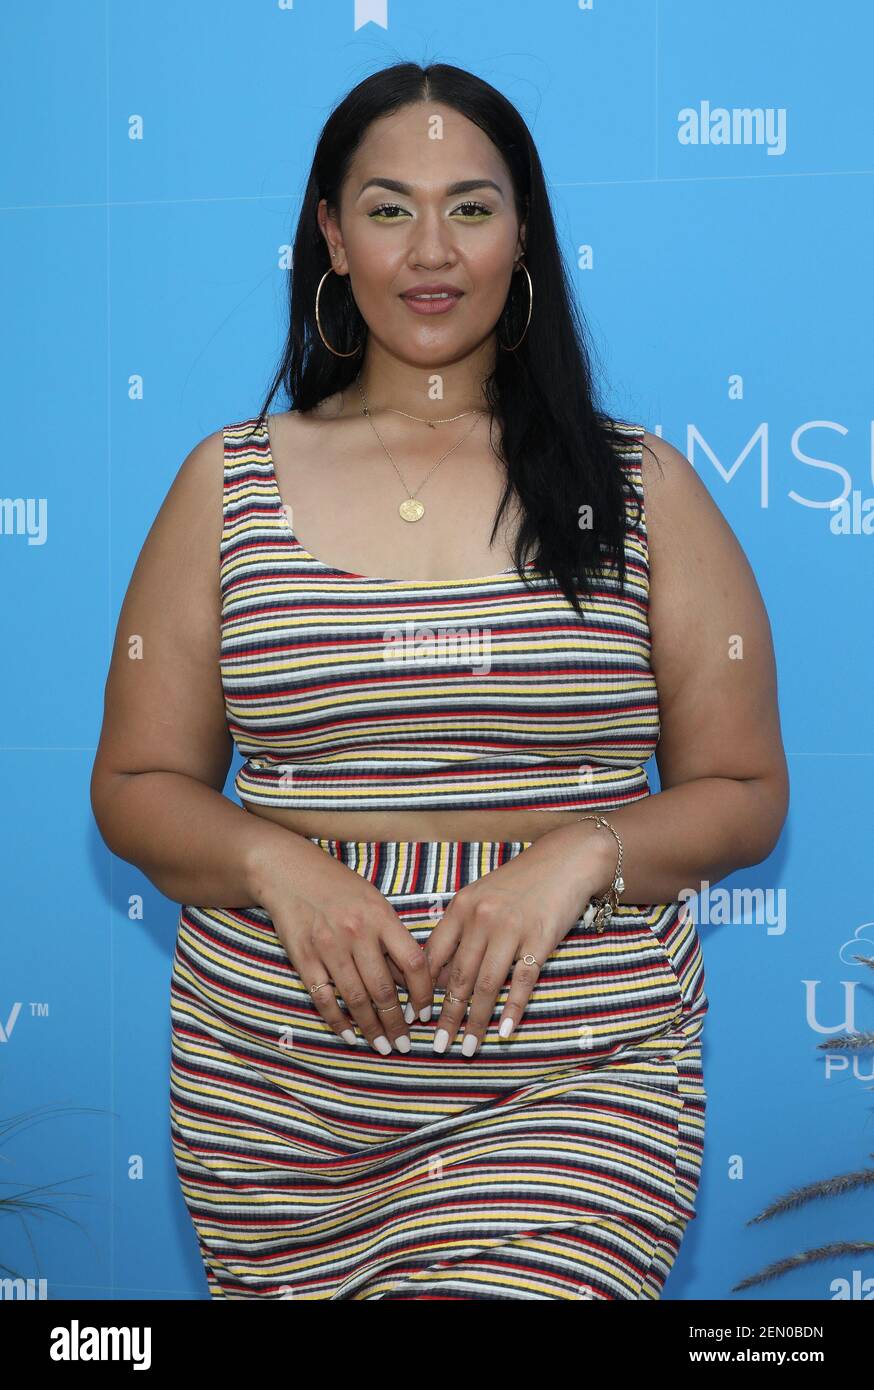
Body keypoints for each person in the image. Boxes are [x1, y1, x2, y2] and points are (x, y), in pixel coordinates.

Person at [90, 61, 789, 1300]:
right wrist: (272, 860)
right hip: (280, 1092)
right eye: (386, 205)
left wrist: (581, 856)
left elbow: (740, 788)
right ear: (327, 235)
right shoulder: (227, 481)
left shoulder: (642, 488)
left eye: (470, 206)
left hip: (571, 1074)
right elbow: (139, 783)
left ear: (523, 232)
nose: (430, 249)